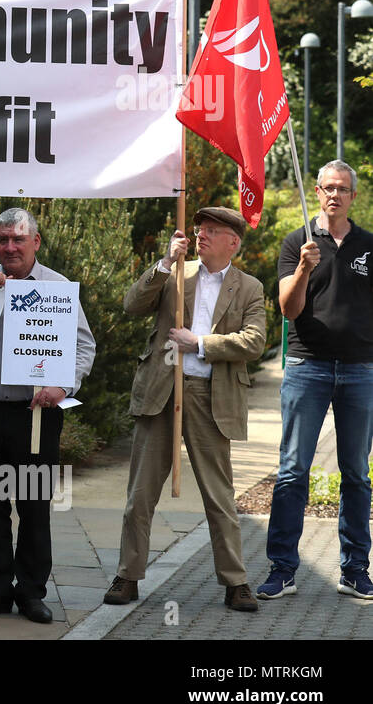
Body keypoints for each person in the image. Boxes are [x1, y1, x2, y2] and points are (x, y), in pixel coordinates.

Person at [105, 207, 265, 612]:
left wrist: (201, 343)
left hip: (212, 396)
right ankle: (127, 575)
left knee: (219, 495)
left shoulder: (248, 287)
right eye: (199, 230)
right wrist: (163, 263)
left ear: (234, 242)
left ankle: (236, 582)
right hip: (162, 388)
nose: (201, 236)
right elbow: (132, 305)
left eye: (212, 231)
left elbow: (254, 341)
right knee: (140, 493)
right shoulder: (177, 273)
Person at [0, 208, 94, 624]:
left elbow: (84, 348)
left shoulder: (57, 289)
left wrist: (64, 386)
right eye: (2, 240)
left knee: (35, 506)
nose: (9, 247)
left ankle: (33, 593)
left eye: (18, 240)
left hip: (37, 417)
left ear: (35, 242)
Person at [258, 160, 373, 601]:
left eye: (342, 189)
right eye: (327, 188)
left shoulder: (368, 245)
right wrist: (305, 268)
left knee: (357, 474)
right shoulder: (297, 242)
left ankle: (355, 570)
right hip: (308, 367)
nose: (334, 195)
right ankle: (282, 569)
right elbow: (288, 310)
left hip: (360, 370)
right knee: (292, 471)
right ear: (317, 191)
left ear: (353, 197)